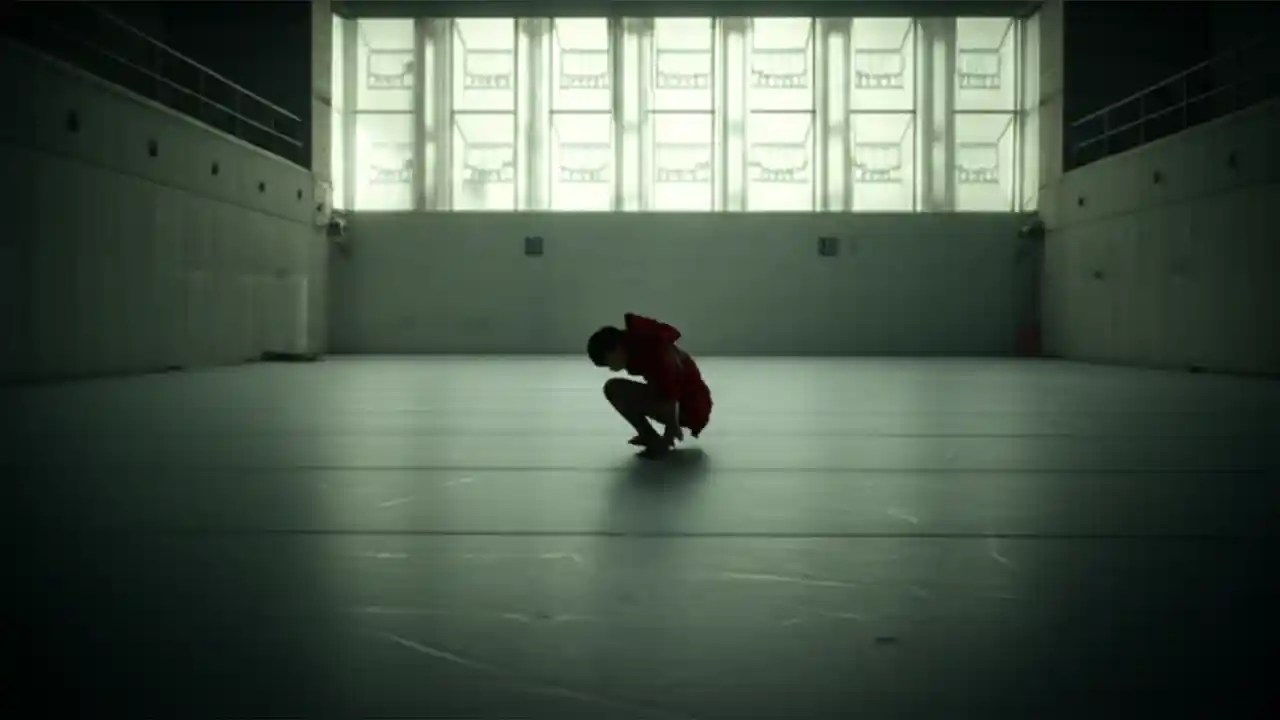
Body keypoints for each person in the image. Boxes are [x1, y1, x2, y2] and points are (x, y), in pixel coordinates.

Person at [587, 313, 713, 457]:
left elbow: (670, 387)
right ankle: (648, 436)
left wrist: (670, 430)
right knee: (615, 388)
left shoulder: (652, 350)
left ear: (616, 349)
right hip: (687, 404)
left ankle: (652, 439)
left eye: (608, 363)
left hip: (691, 408)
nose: (610, 368)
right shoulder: (643, 347)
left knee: (614, 389)